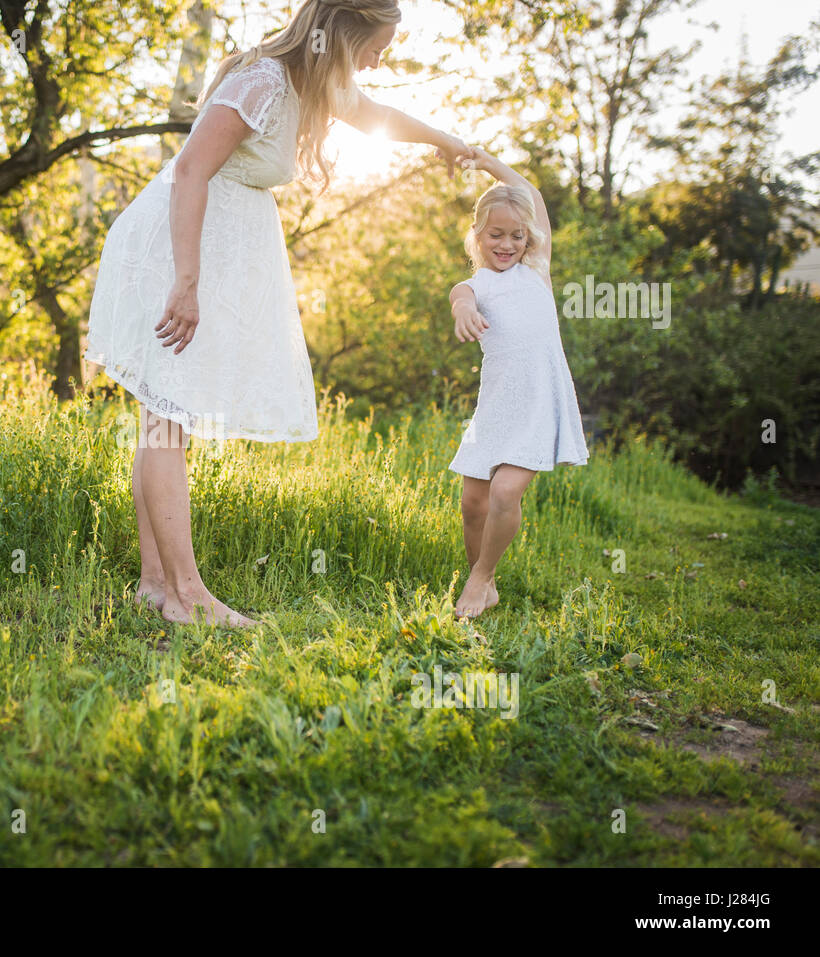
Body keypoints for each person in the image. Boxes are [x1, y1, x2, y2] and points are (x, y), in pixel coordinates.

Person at [86, 0, 474, 628]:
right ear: (344, 32)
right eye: (377, 44)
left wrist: (444, 140)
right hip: (177, 252)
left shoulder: (312, 81)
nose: (382, 57)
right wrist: (187, 283)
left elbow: (378, 115)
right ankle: (186, 596)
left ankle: (155, 586)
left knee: (163, 418)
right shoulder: (263, 80)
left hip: (210, 254)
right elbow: (189, 169)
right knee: (167, 417)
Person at [448, 146, 590, 619]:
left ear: (530, 238)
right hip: (496, 408)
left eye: (516, 235)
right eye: (495, 235)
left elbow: (531, 194)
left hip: (538, 402)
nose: (506, 244)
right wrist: (464, 309)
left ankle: (481, 578)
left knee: (506, 492)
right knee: (473, 501)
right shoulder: (480, 285)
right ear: (478, 235)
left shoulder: (536, 270)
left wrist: (488, 162)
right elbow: (460, 294)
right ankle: (481, 579)